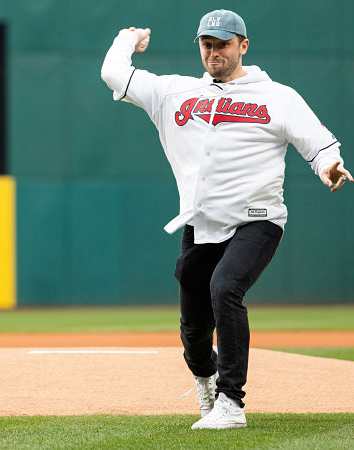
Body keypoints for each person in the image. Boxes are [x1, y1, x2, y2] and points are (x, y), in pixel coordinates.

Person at [100, 10, 352, 429]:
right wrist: (128, 38)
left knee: (226, 286)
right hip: (201, 226)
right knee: (193, 336)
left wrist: (329, 164)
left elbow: (319, 142)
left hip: (258, 219)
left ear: (243, 45)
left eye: (222, 43)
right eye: (207, 43)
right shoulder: (173, 93)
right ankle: (207, 377)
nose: (214, 51)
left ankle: (231, 403)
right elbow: (113, 72)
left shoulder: (278, 96)